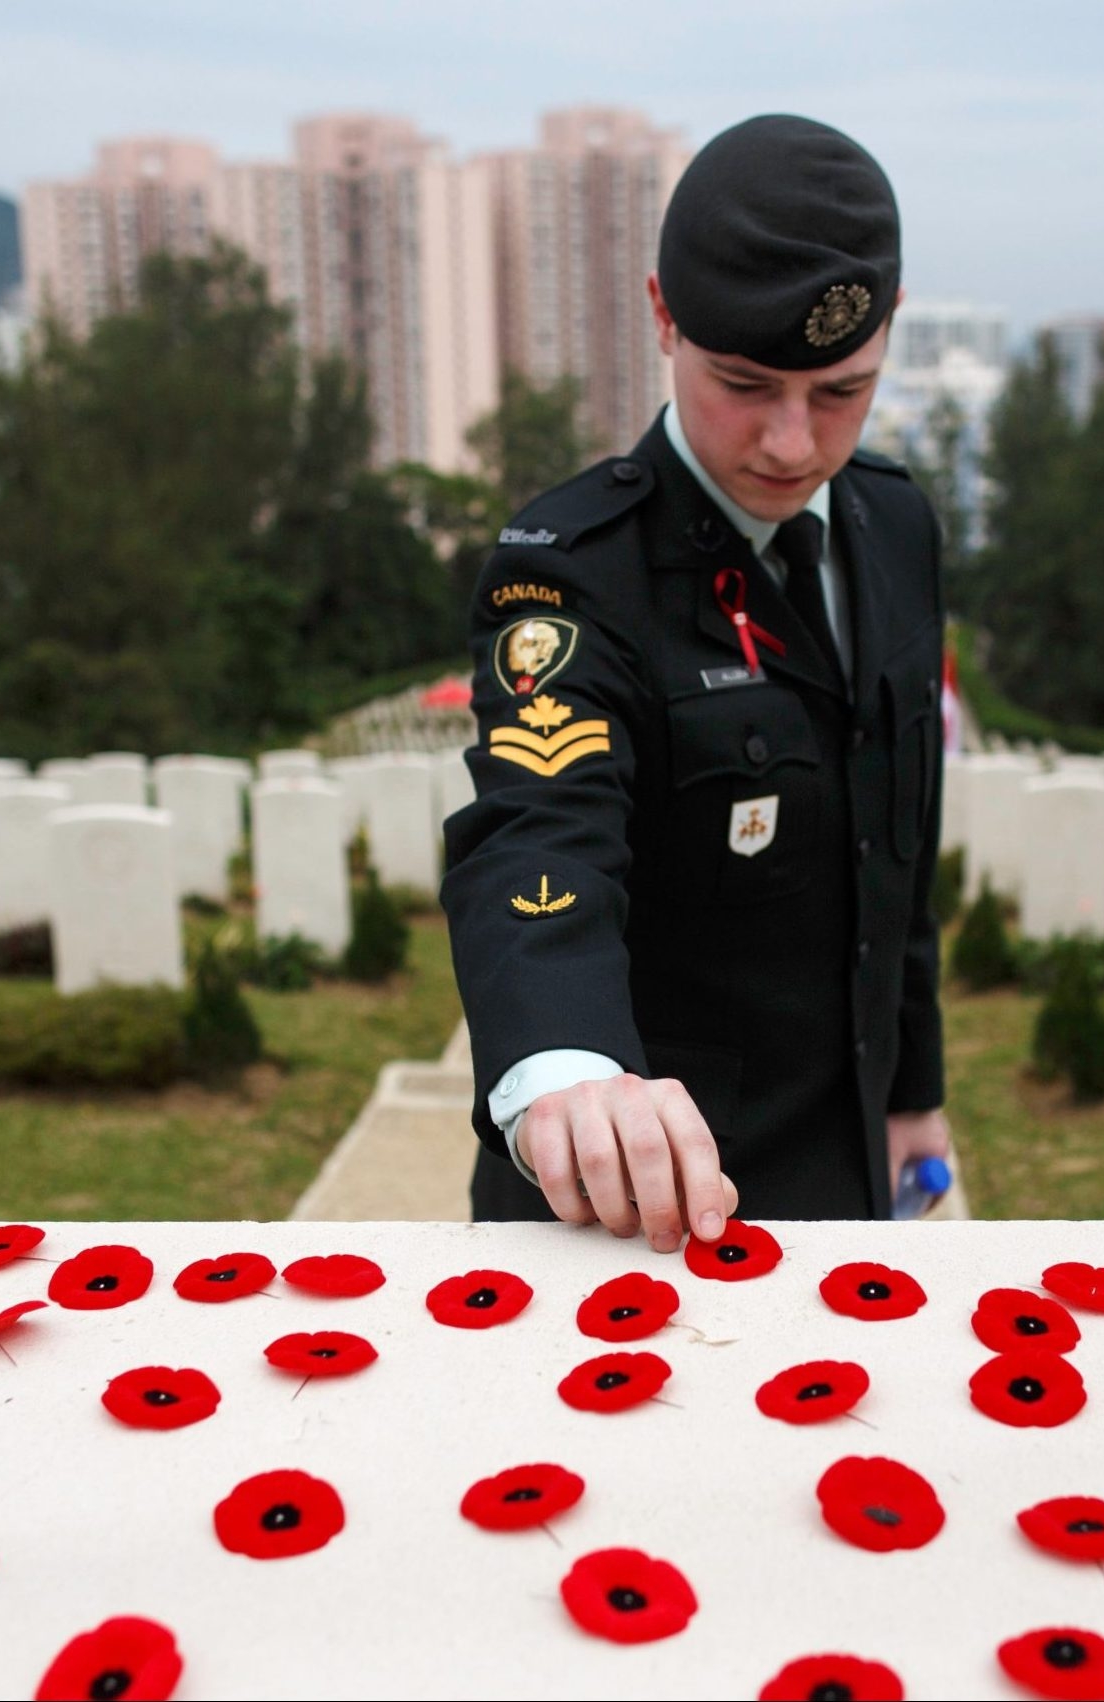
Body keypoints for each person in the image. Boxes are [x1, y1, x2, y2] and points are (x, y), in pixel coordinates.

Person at [440, 114, 950, 1249]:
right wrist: (563, 1070)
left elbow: (896, 849)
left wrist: (911, 1091)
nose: (789, 442)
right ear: (664, 313)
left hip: (843, 1175)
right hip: (631, 1196)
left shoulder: (896, 523)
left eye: (840, 392)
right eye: (744, 382)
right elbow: (537, 831)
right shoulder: (573, 572)